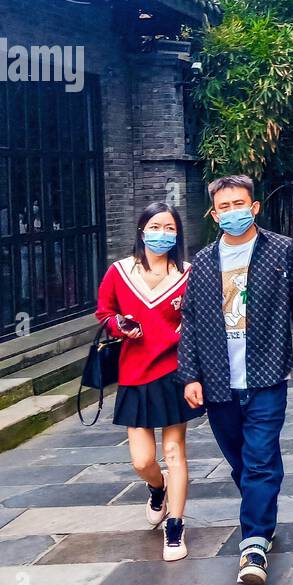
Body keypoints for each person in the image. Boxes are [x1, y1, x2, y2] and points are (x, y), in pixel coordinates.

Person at [178, 174, 293, 585]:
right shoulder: (204, 260)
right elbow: (190, 321)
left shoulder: (279, 249)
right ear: (213, 213)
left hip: (265, 375)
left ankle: (253, 543)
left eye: (238, 204)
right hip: (219, 379)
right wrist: (189, 375)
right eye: (223, 207)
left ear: (254, 206)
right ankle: (263, 512)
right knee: (243, 464)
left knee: (259, 459)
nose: (232, 213)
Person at [95, 202, 195, 562]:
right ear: (141, 230)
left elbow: (199, 318)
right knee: (142, 460)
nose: (162, 233)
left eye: (170, 228)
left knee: (174, 452)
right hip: (135, 372)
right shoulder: (120, 272)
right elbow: (104, 310)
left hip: (174, 371)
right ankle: (157, 487)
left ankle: (175, 525)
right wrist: (117, 324)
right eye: (155, 226)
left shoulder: (188, 273)